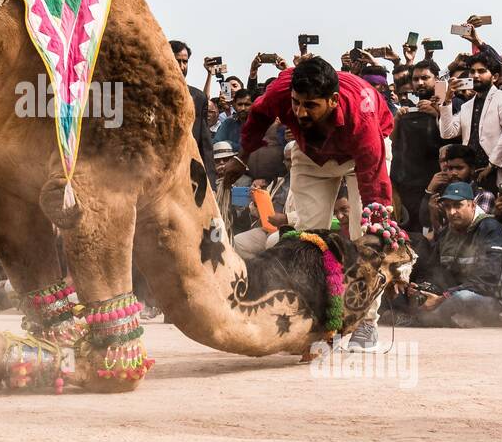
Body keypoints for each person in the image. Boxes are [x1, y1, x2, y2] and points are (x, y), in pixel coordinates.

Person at [233, 55, 394, 350]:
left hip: (365, 156)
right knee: (309, 241)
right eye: (296, 103)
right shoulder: (281, 90)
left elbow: (375, 181)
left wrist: (377, 222)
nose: (300, 112)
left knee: (366, 238)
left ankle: (366, 322)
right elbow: (256, 119)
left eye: (310, 105)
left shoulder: (362, 112)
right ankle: (316, 323)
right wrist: (240, 157)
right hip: (311, 155)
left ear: (333, 100)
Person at [408, 182, 502, 327]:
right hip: (451, 295)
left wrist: (443, 297)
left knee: (461, 298)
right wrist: (423, 287)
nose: (452, 212)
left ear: (472, 205)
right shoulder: (446, 233)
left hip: (492, 300)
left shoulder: (490, 228)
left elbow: (488, 279)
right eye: (447, 207)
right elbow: (434, 270)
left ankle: (423, 320)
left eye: (457, 205)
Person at [437, 52, 502, 190]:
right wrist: (446, 101)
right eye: (472, 71)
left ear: (494, 77)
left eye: (481, 71)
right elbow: (447, 133)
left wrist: (492, 164)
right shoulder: (467, 106)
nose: (475, 75)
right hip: (471, 175)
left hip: (496, 173)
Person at [390, 60, 445, 233]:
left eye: (425, 78)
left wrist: (438, 113)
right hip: (405, 183)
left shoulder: (448, 103)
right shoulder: (407, 104)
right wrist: (397, 119)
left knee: (431, 232)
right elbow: (393, 139)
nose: (420, 82)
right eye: (416, 78)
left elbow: (453, 135)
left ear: (437, 80)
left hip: (433, 183)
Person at [170, 41, 217, 185]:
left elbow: (205, 145)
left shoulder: (197, 97)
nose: (182, 66)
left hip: (188, 174)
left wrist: (211, 185)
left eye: (185, 61)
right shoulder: (151, 95)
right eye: (177, 61)